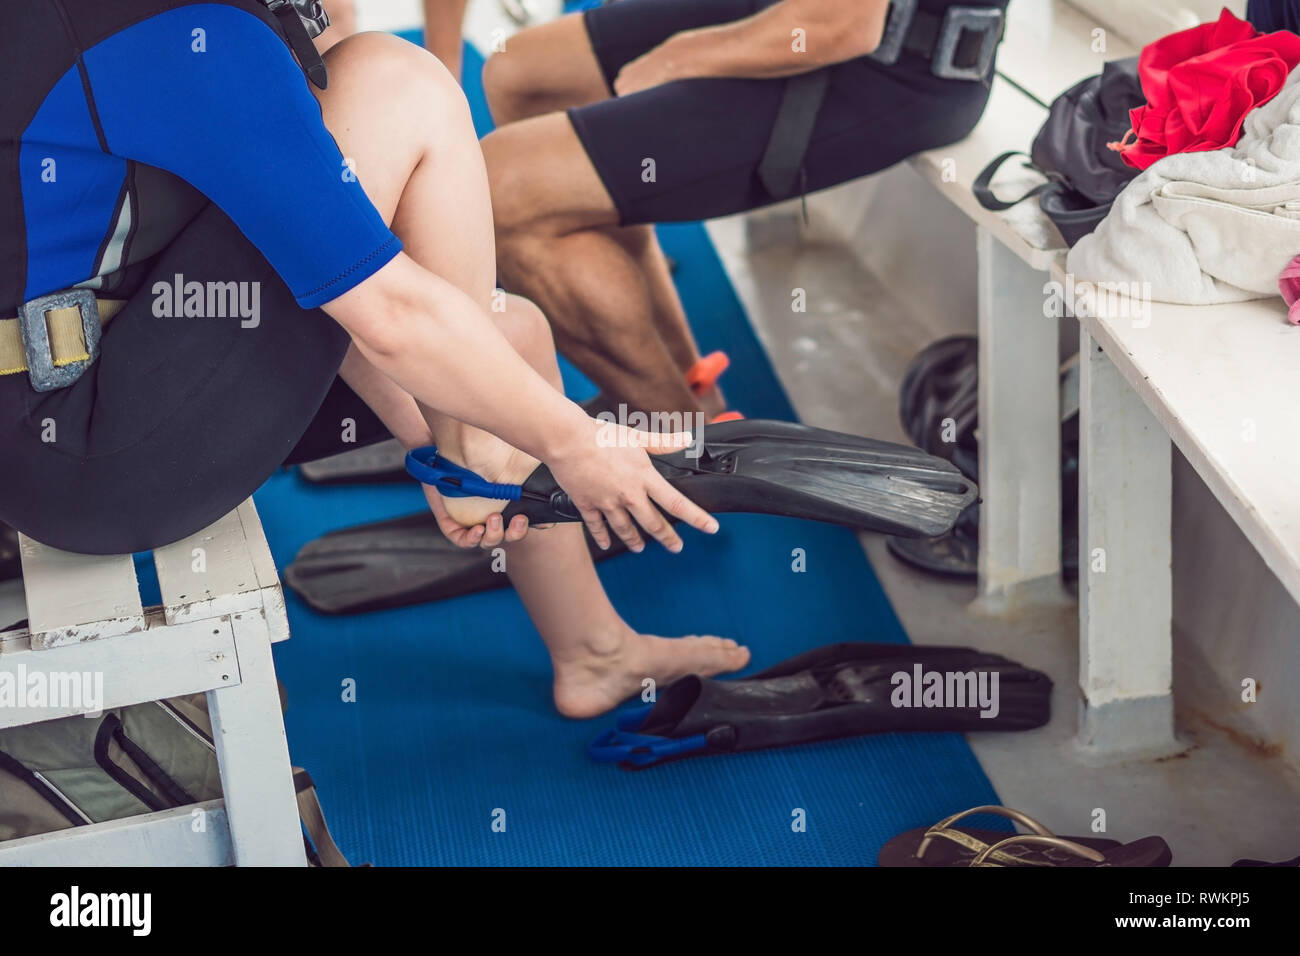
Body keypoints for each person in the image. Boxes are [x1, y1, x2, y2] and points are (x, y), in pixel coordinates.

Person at [1, 0, 747, 717]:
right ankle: (477, 453)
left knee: (505, 338)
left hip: (90, 385)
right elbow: (386, 315)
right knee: (397, 81)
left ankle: (594, 652)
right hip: (78, 452)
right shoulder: (188, 33)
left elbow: (312, 259)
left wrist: (438, 443)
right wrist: (575, 442)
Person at [480, 0, 1009, 418]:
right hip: (801, 12)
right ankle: (686, 385)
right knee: (521, 74)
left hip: (887, 66)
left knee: (501, 191)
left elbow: (841, 24)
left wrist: (677, 58)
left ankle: (680, 446)